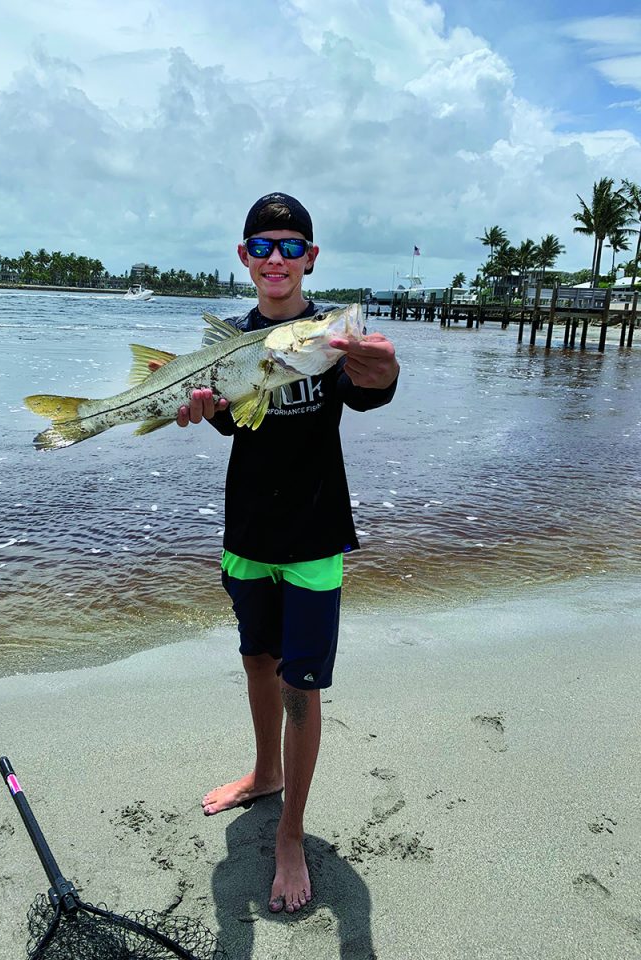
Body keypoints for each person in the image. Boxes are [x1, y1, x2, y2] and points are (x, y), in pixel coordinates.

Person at [174, 193, 398, 914]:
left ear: (311, 258)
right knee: (257, 662)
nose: (277, 258)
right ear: (245, 257)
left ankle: (291, 833)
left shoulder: (328, 336)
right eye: (264, 246)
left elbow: (373, 386)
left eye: (291, 246)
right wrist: (198, 408)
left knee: (302, 685)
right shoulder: (229, 343)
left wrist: (379, 368)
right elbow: (231, 422)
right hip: (248, 533)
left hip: (314, 537)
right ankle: (264, 773)